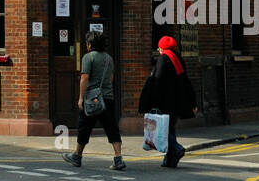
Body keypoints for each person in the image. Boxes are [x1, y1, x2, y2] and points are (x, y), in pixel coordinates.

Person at [62, 31, 125, 170]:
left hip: (91, 99)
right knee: (112, 128)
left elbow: (84, 78)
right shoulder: (109, 58)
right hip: (107, 98)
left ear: (89, 44)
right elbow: (111, 78)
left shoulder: (88, 57)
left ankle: (77, 156)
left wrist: (80, 98)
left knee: (84, 127)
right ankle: (118, 158)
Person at [138, 35, 198, 168]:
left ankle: (176, 149)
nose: (159, 50)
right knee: (170, 128)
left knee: (164, 130)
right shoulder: (178, 59)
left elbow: (156, 81)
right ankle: (170, 160)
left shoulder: (163, 59)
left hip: (164, 102)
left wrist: (151, 101)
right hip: (177, 102)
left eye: (159, 48)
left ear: (162, 48)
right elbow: (186, 81)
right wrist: (192, 102)